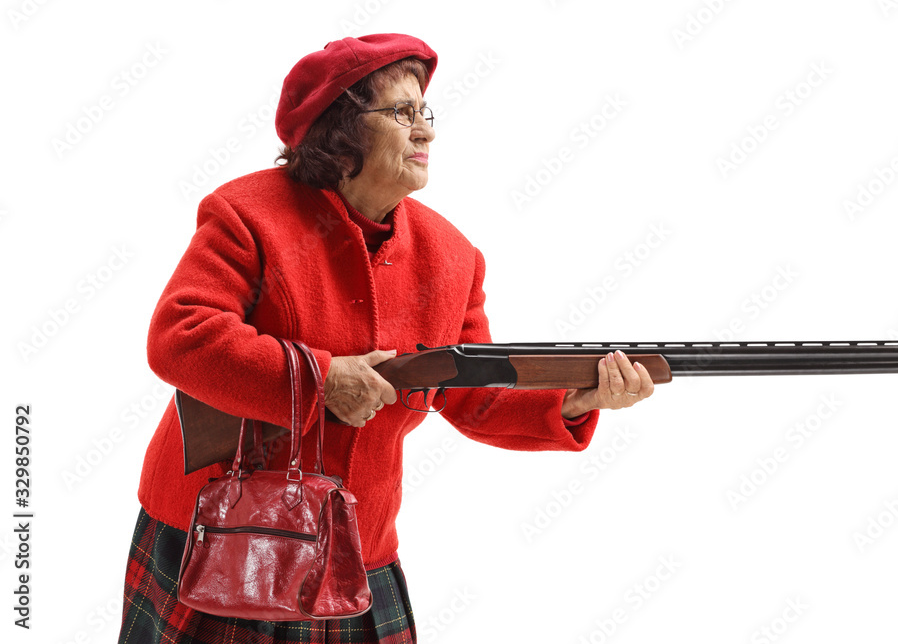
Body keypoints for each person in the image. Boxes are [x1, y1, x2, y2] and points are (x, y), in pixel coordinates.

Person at [116, 33, 657, 644]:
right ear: (339, 129)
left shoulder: (454, 255)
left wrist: (578, 398)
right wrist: (322, 381)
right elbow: (180, 336)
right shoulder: (245, 212)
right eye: (402, 113)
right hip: (223, 530)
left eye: (425, 112)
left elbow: (473, 393)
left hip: (360, 548)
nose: (425, 131)